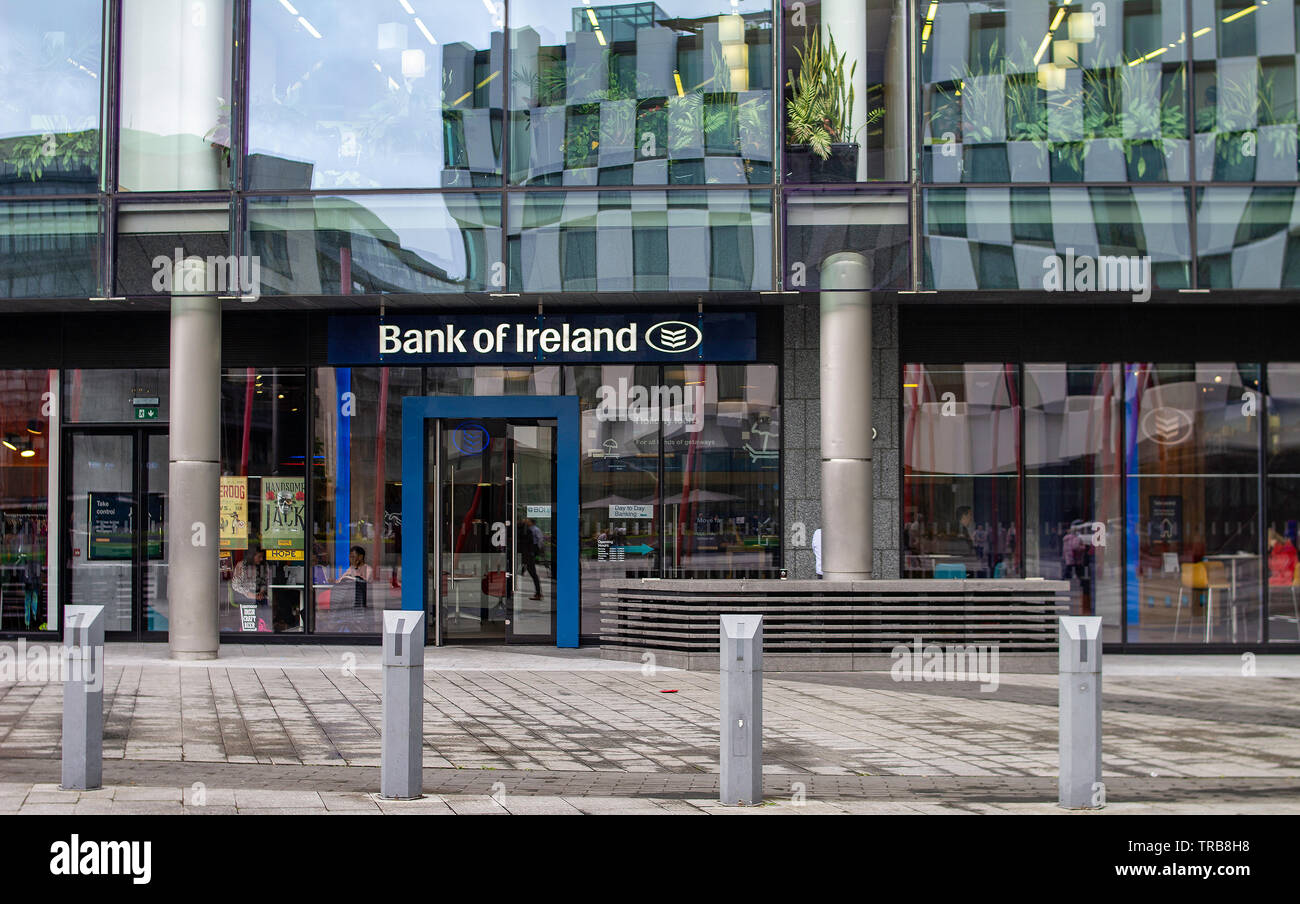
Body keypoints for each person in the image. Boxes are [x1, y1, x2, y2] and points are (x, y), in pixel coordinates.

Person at [520, 518, 543, 600]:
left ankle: (538, 593)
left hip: (530, 552)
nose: (526, 521)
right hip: (528, 553)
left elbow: (540, 540)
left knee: (533, 573)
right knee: (532, 573)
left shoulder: (534, 530)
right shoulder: (527, 530)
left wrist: (535, 550)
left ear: (531, 522)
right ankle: (538, 592)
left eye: (528, 520)